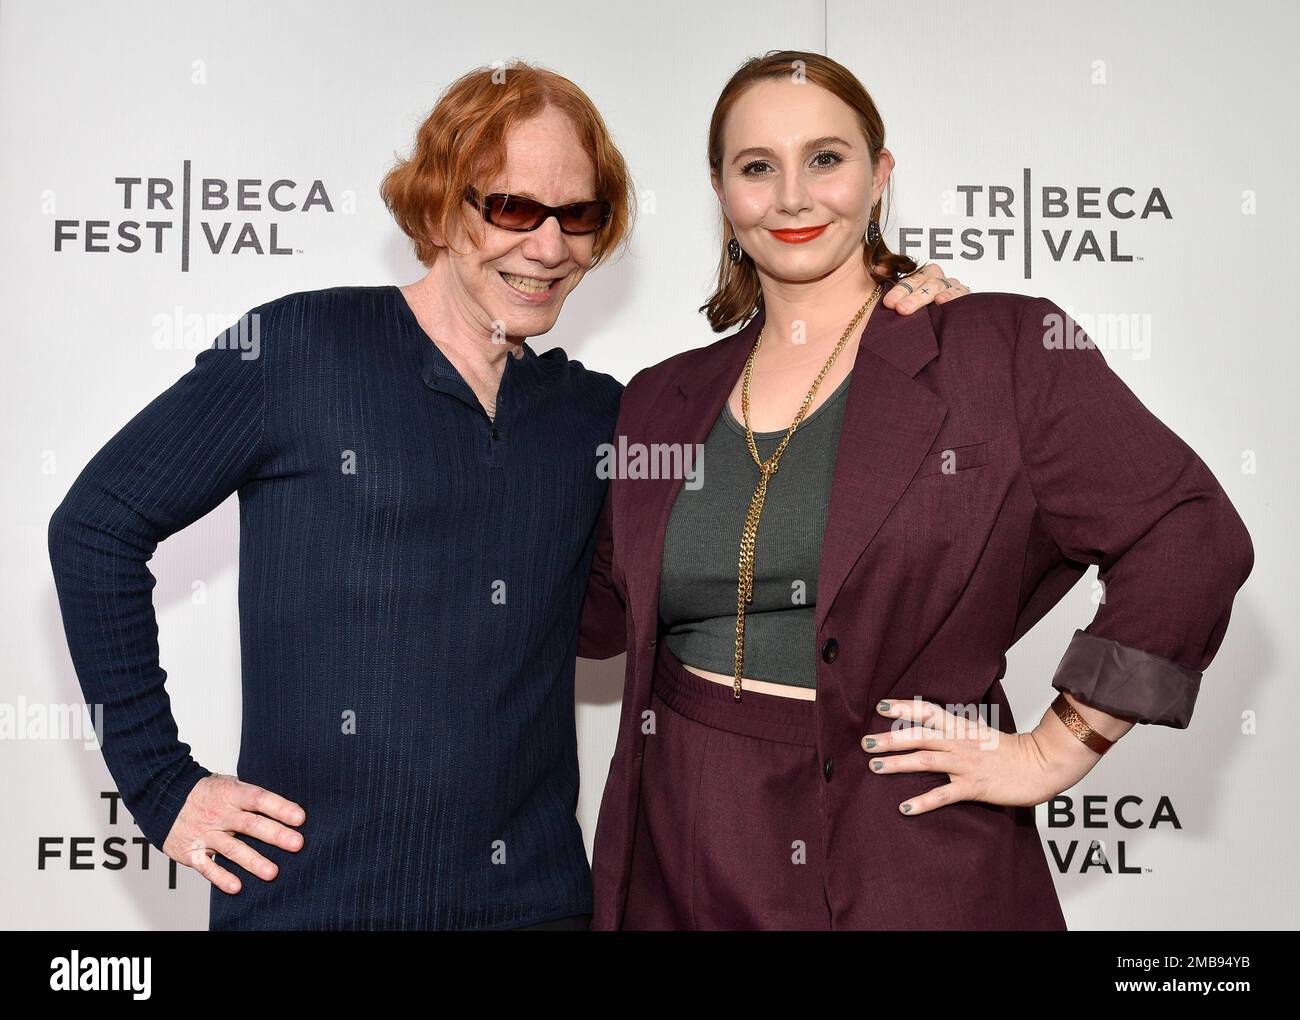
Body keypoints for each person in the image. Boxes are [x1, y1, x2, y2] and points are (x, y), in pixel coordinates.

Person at [46, 60, 962, 931]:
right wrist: (161, 784)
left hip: (538, 906)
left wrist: (882, 326)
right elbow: (94, 530)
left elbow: (726, 555)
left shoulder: (602, 418)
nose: (548, 246)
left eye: (578, 215)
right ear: (443, 205)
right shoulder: (298, 350)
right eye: (514, 207)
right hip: (309, 904)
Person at [581, 50, 1254, 930]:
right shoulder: (659, 397)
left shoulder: (999, 347)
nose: (792, 196)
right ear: (720, 191)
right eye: (757, 167)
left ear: (879, 174)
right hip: (683, 846)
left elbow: (1191, 533)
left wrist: (1060, 746)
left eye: (826, 158)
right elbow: (586, 610)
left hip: (907, 849)